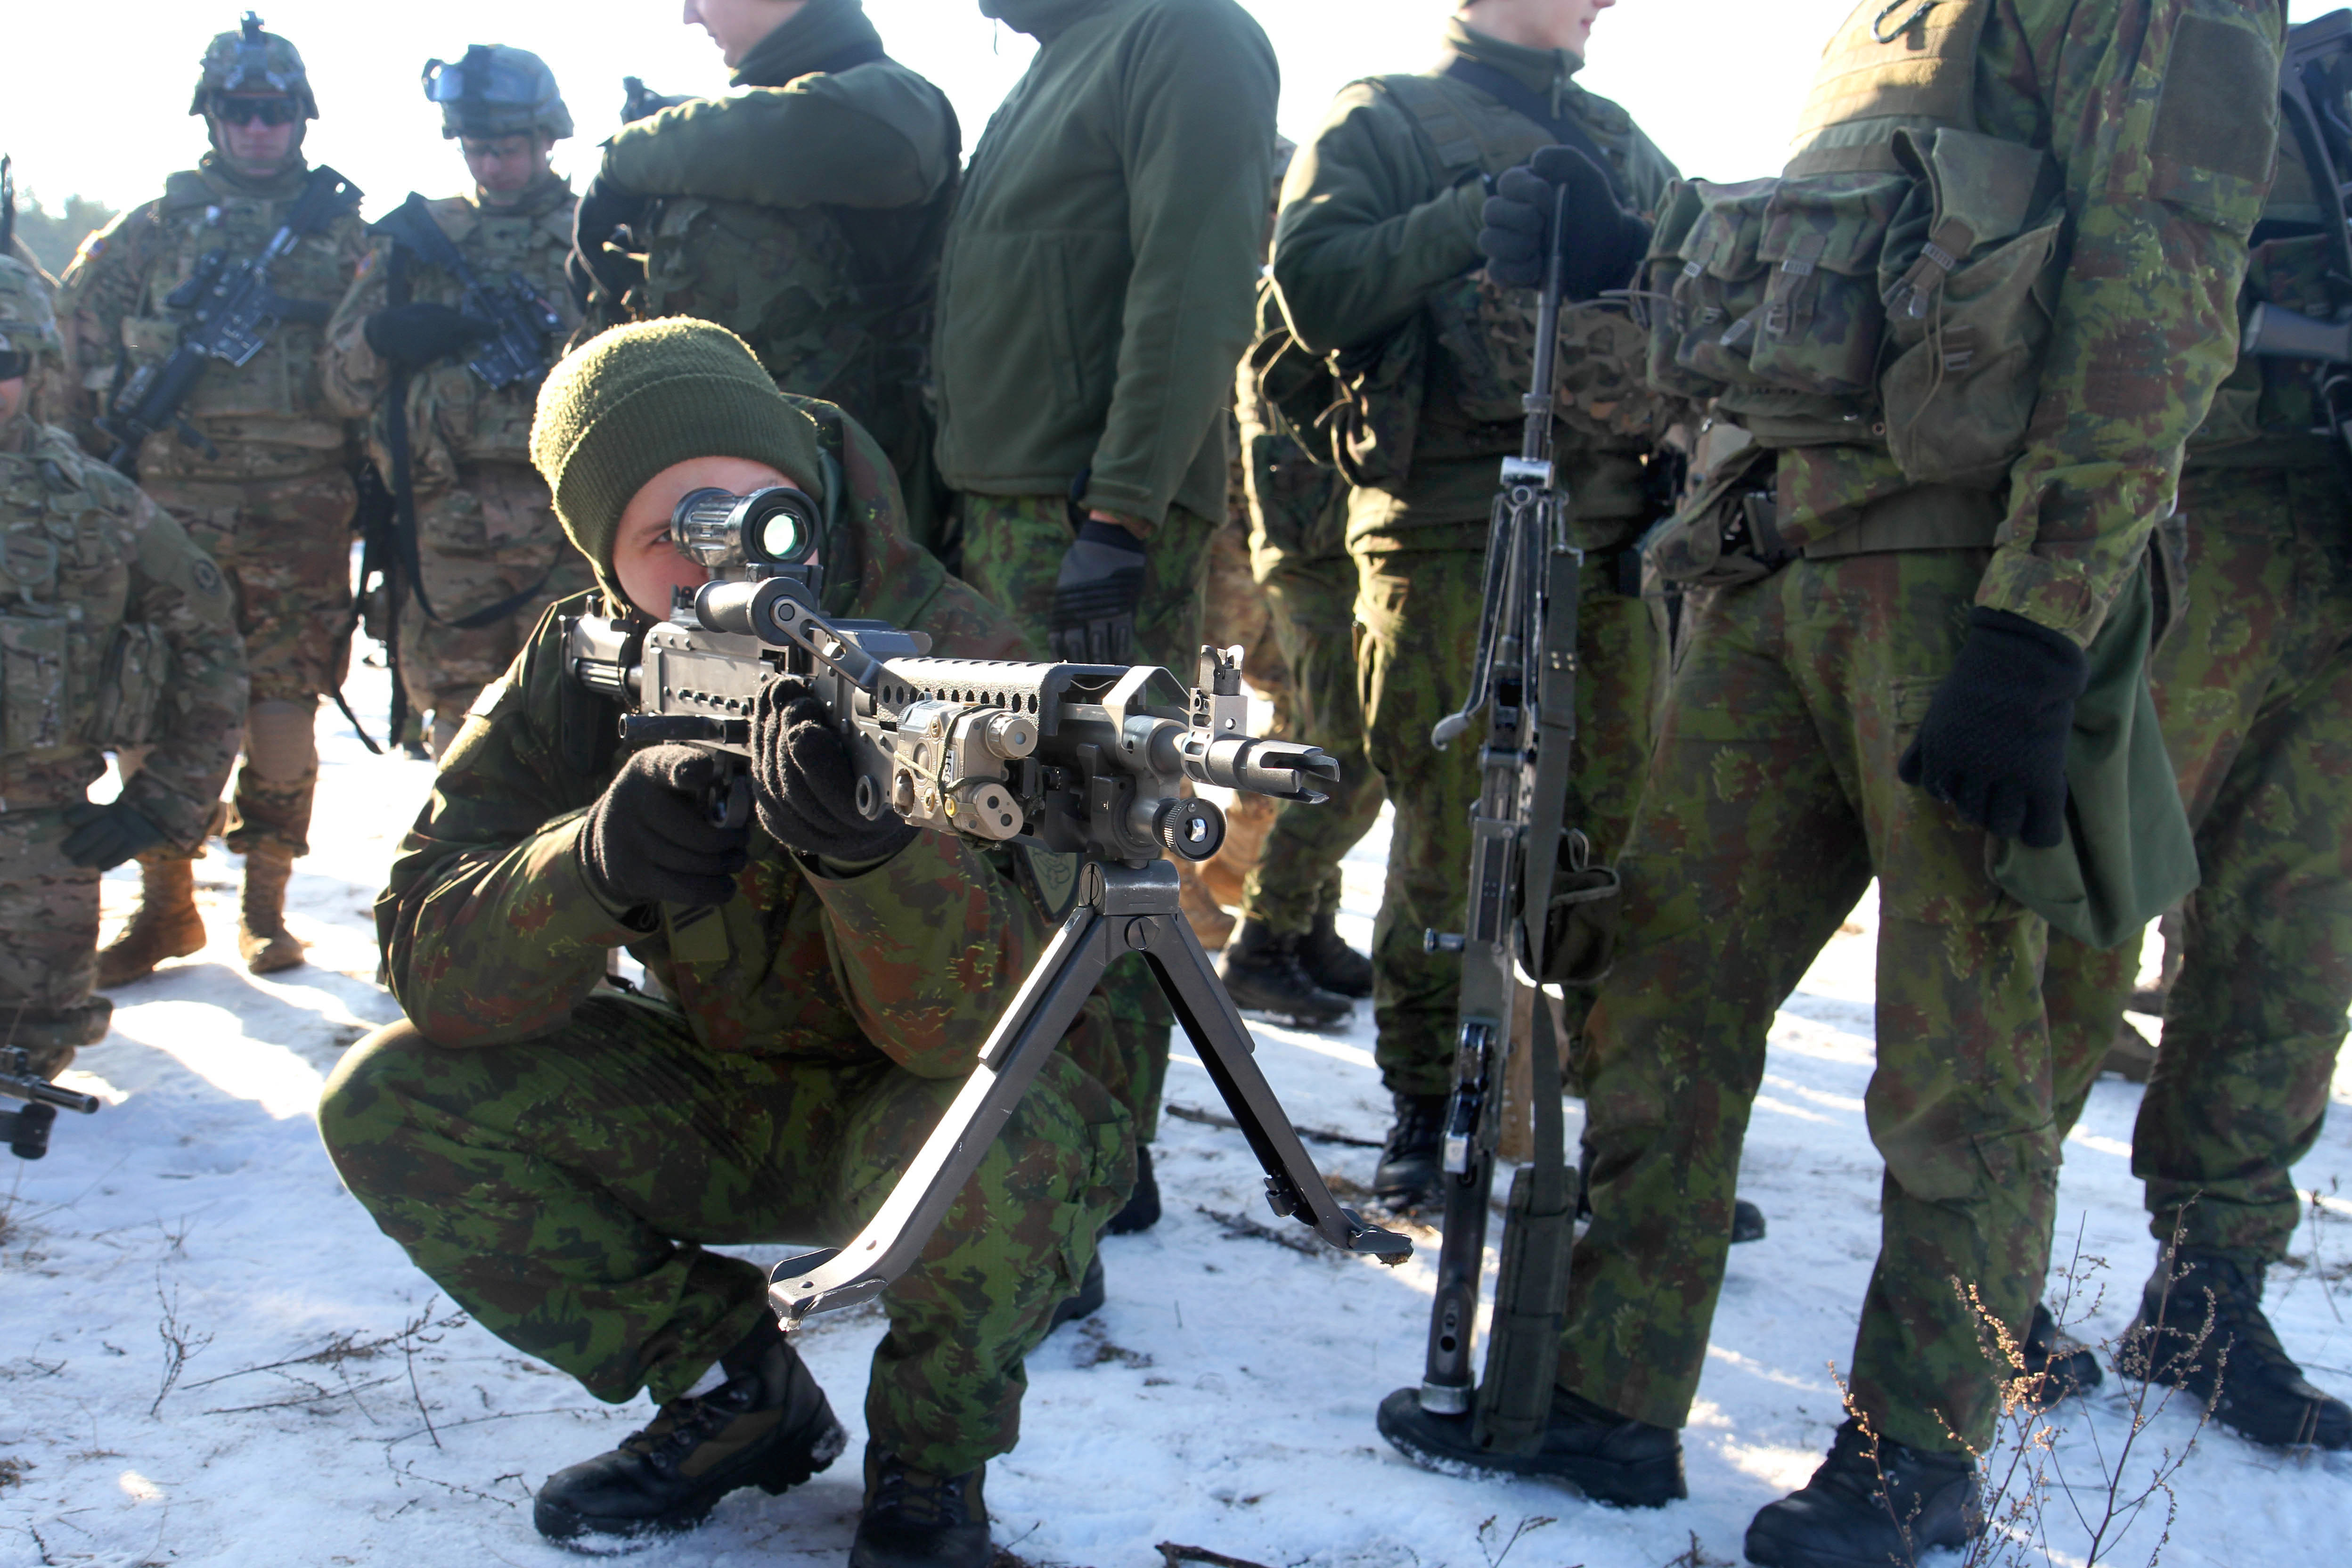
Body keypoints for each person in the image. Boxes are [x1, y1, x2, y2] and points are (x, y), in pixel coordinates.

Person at [1470, 3, 2279, 1563]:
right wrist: (1640, 245)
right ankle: (1610, 1389)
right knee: (1657, 993)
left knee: (1961, 1058)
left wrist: (2042, 621)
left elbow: (2157, 288)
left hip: (1964, 582)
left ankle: (1913, 1457)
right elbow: (1820, 281)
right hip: (1769, 555)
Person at [318, 320, 1130, 1568]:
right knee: (389, 1099)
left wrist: (874, 863)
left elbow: (977, 1039)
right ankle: (736, 1390)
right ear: (606, 565)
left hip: (919, 1112)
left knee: (1023, 1134)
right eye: (674, 538)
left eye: (770, 518)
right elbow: (435, 972)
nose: (738, 564)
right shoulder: (577, 665)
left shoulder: (948, 651)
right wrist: (586, 866)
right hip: (713, 1098)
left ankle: (931, 1475)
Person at [1268, 0, 1678, 1203]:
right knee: (1454, 834)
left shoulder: (1621, 138)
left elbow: (1696, 312)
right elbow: (1313, 287)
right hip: (1446, 529)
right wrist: (1469, 221)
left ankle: (1613, 1133)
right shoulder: (1381, 119)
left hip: (1612, 538)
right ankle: (1426, 1111)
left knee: (1610, 830)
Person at [928, 0, 1280, 1210]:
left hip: (1079, 517)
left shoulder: (1182, 35)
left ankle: (1085, 1173)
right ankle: (1064, 1157)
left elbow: (1193, 285)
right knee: (1021, 841)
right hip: (1005, 512)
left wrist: (1121, 515)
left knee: (1091, 850)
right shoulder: (1056, 64)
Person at [2035, 114, 2351, 1454]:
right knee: (2084, 908)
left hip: (2341, 541)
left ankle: (2210, 1293)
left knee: (2298, 945)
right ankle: (1973, 1269)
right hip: (2197, 510)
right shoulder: (2288, 78)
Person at [58, 13, 369, 979]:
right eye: (239, 110)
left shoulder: (351, 240)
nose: (258, 128)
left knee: (281, 713)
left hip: (302, 512)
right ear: (211, 115)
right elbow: (73, 349)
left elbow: (382, 384)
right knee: (153, 707)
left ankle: (267, 907)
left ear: (302, 116)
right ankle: (167, 908)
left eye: (275, 110)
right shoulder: (149, 234)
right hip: (164, 519)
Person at [572, 0, 959, 543]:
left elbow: (817, 132)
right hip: (724, 503)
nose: (689, 16)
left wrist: (623, 162)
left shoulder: (891, 104)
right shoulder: (734, 135)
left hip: (849, 514)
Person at [0, 254, 246, 1078]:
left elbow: (209, 644)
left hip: (39, 833)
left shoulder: (96, 506)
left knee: (33, 1042)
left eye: (1, 361)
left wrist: (163, 804)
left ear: (34, 370)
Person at [322, 45, 592, 759]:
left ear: (547, 138)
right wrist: (384, 335)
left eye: (507, 149)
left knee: (582, 717)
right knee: (459, 729)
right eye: (477, 150)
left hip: (572, 523)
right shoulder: (415, 244)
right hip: (448, 522)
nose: (492, 167)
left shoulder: (595, 239)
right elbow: (342, 384)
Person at [1215, 280, 1385, 1026]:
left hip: (1316, 542)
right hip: (1292, 546)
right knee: (1332, 745)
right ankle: (1263, 934)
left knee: (1311, 736)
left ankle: (1308, 917)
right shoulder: (1293, 287)